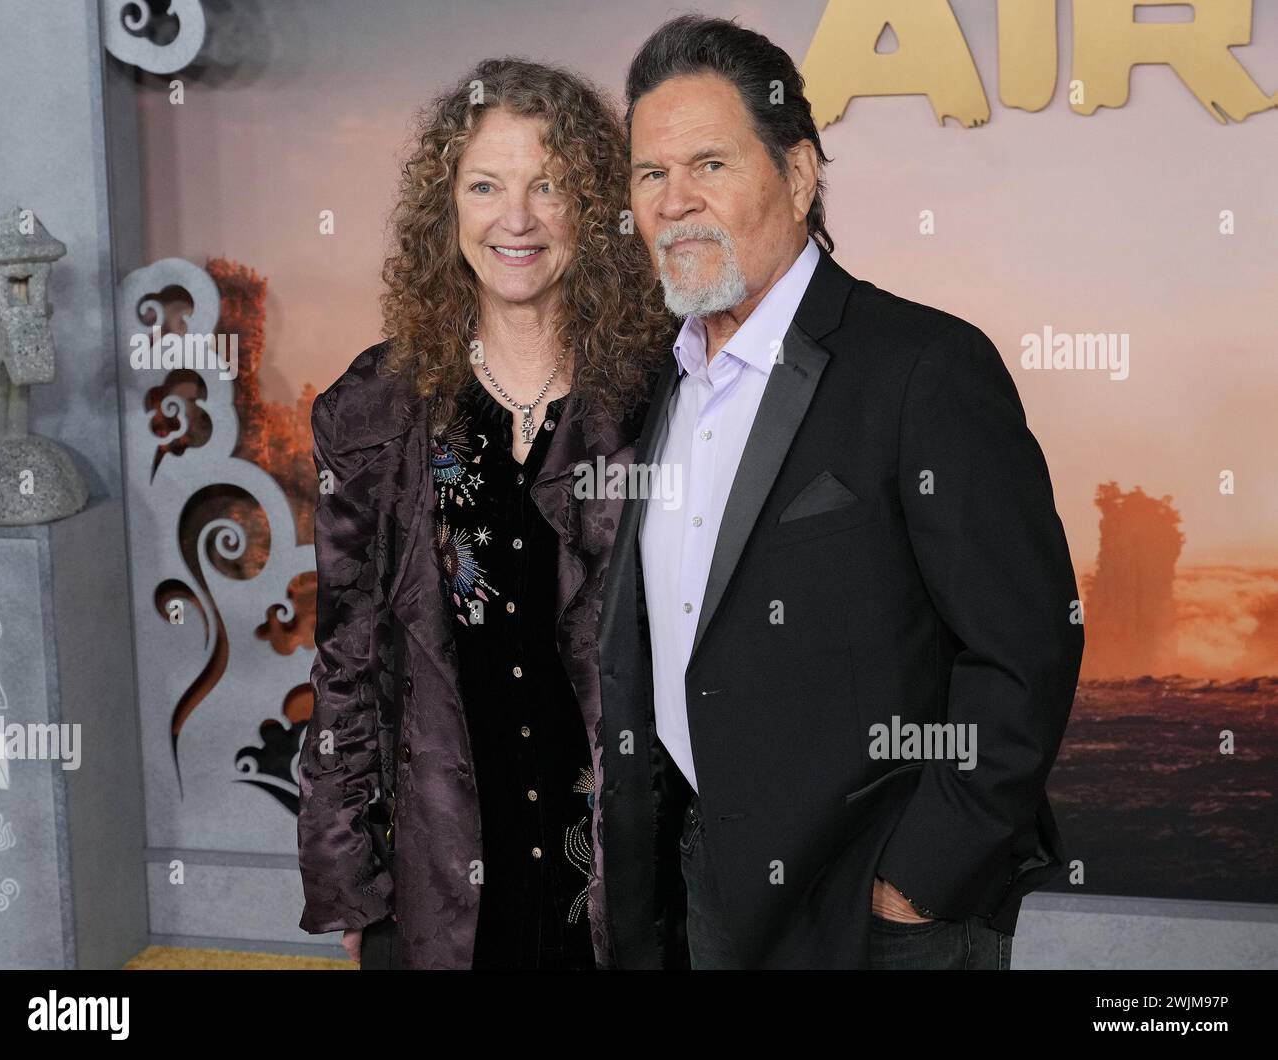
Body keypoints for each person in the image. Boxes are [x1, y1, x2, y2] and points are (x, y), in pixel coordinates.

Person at [598, 15, 1085, 969]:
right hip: (702, 905)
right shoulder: (650, 392)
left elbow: (1027, 646)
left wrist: (916, 889)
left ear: (801, 172)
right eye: (651, 174)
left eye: (711, 164)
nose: (675, 201)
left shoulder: (925, 367)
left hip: (874, 920)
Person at [297, 57, 671, 969]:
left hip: (630, 887)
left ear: (594, 207)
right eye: (486, 185)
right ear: (447, 209)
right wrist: (352, 886)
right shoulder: (375, 407)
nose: (518, 217)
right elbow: (346, 663)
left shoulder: (665, 393)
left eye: (550, 185)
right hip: (442, 888)